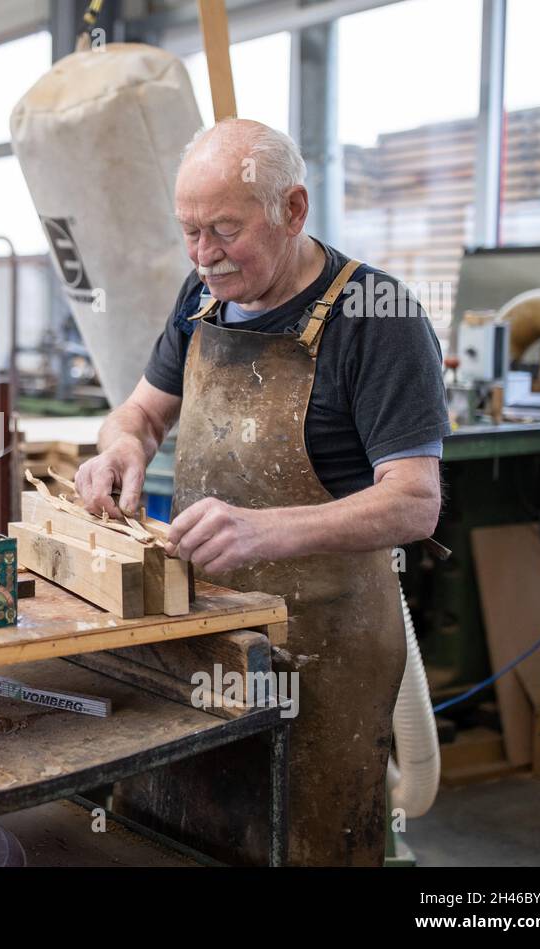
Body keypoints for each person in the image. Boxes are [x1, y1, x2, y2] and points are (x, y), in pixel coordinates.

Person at [75, 118, 448, 865]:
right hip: (209, 632)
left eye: (224, 230)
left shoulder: (378, 319)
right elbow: (143, 411)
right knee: (187, 832)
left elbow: (415, 501)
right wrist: (118, 447)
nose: (204, 255)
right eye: (188, 232)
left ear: (294, 210)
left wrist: (268, 531)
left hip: (324, 650)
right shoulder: (202, 295)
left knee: (306, 841)